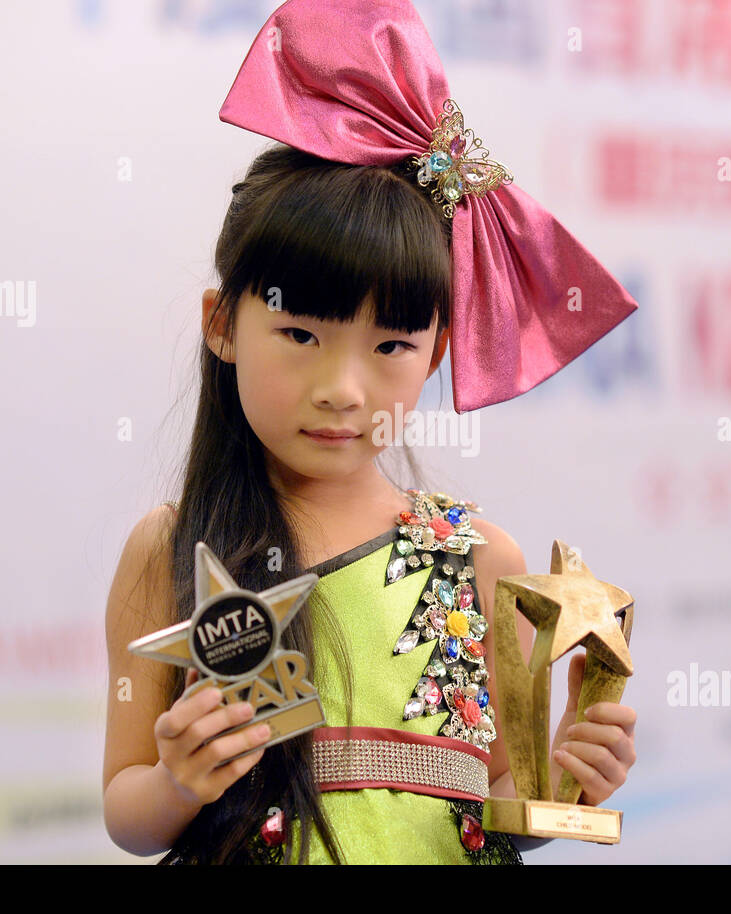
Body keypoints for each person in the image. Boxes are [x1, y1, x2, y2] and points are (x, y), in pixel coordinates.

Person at [102, 0, 640, 865]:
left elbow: (497, 801)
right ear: (222, 324)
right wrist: (178, 779)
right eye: (301, 334)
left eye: (391, 345)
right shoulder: (171, 548)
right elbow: (126, 809)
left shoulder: (479, 560)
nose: (343, 388)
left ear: (436, 356)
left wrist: (564, 780)